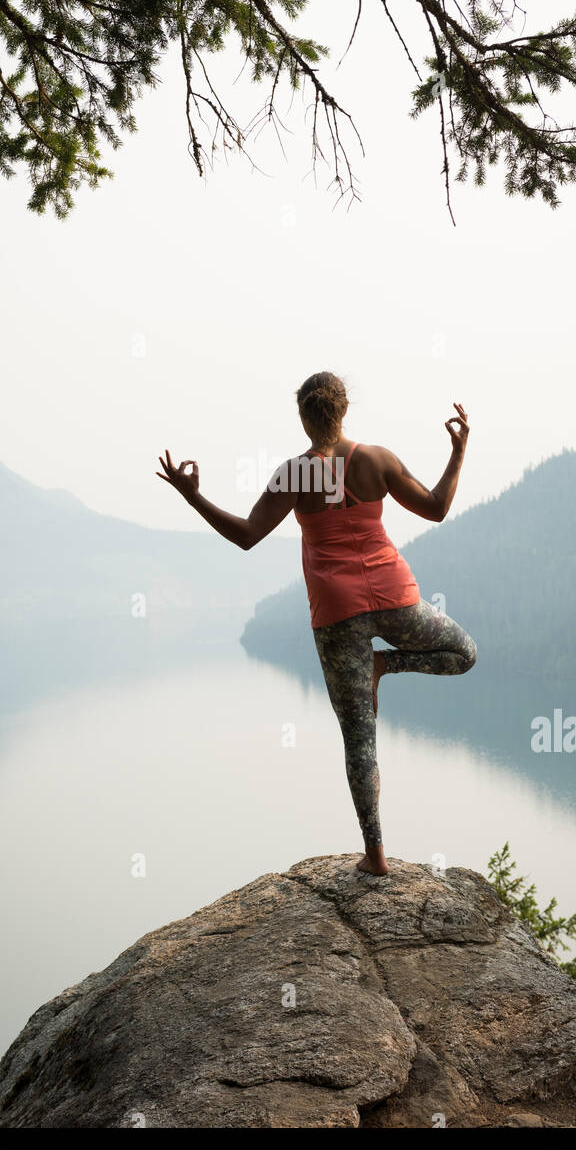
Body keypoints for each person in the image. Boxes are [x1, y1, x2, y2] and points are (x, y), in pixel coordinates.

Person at [156, 370, 477, 876]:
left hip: (336, 612)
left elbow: (245, 535)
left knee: (359, 738)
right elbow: (435, 508)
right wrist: (458, 453)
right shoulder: (375, 459)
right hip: (394, 595)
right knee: (464, 654)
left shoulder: (295, 475)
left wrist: (192, 495)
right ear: (344, 410)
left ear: (304, 417)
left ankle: (376, 858)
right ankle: (385, 665)